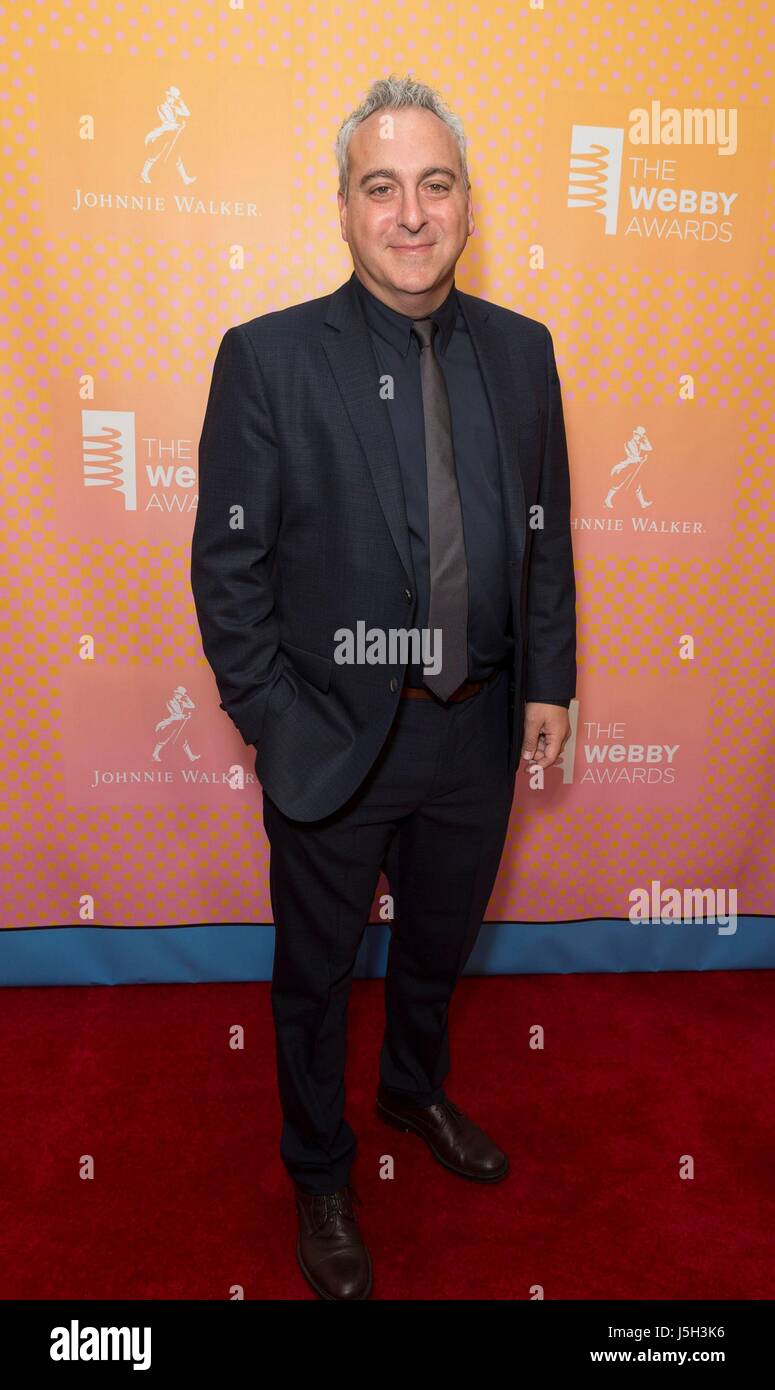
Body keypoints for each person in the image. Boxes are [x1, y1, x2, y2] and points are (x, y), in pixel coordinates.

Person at [191, 73, 576, 1300]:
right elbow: (229, 566)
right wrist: (272, 719)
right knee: (313, 980)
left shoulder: (523, 353)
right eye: (381, 187)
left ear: (466, 203)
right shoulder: (267, 359)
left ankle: (412, 1090)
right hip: (332, 743)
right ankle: (320, 1167)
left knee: (438, 951)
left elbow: (542, 535)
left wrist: (547, 683)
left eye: (434, 183)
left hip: (475, 737)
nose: (410, 213)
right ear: (346, 209)